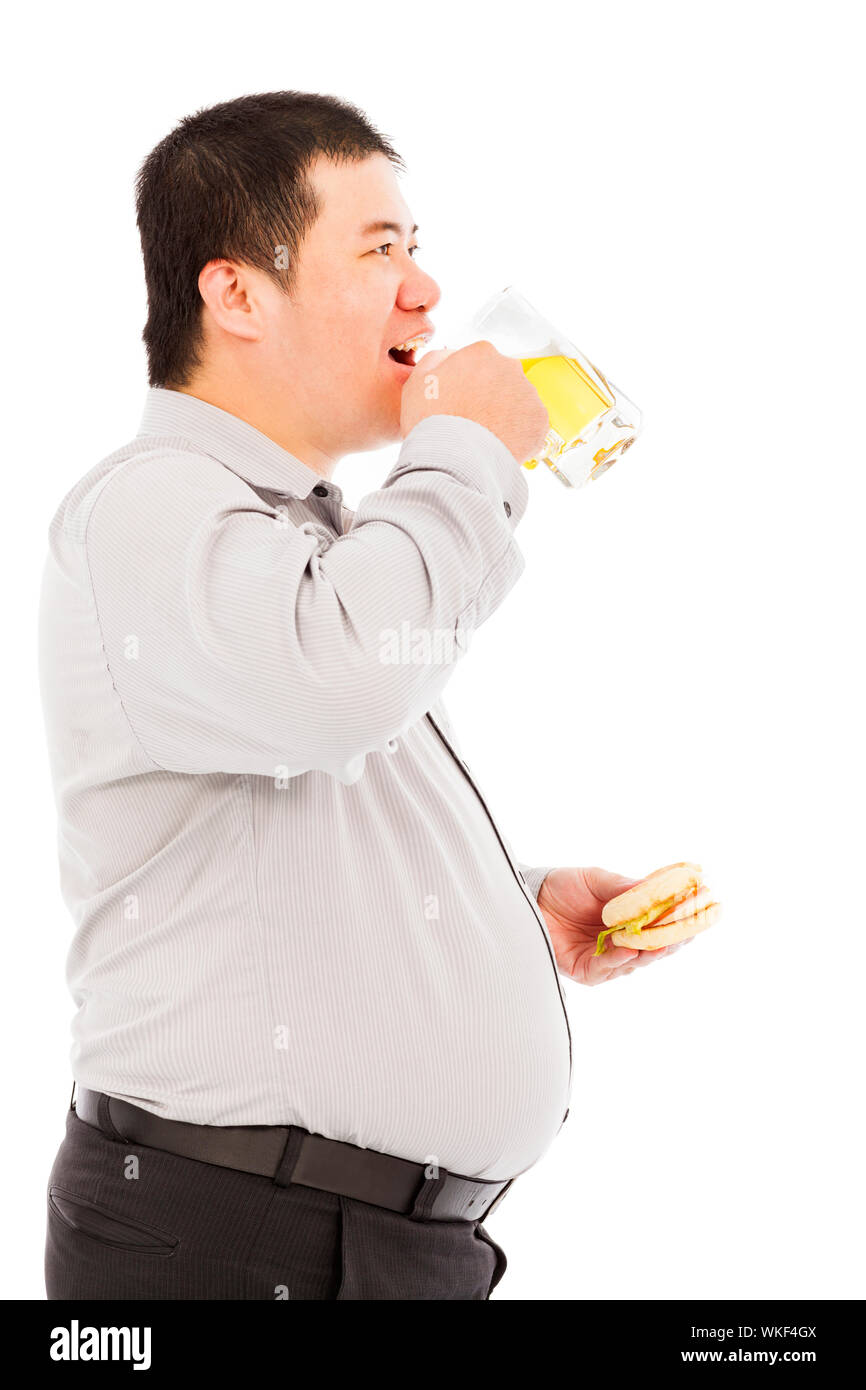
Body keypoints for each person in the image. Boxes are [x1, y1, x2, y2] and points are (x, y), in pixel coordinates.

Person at [38, 90, 680, 1301]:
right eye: (379, 249)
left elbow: (290, 812)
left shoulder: (287, 537)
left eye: (416, 248)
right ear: (236, 295)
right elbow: (342, 681)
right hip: (241, 1239)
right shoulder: (151, 501)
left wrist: (504, 906)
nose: (425, 292)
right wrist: (465, 450)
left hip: (347, 1243)